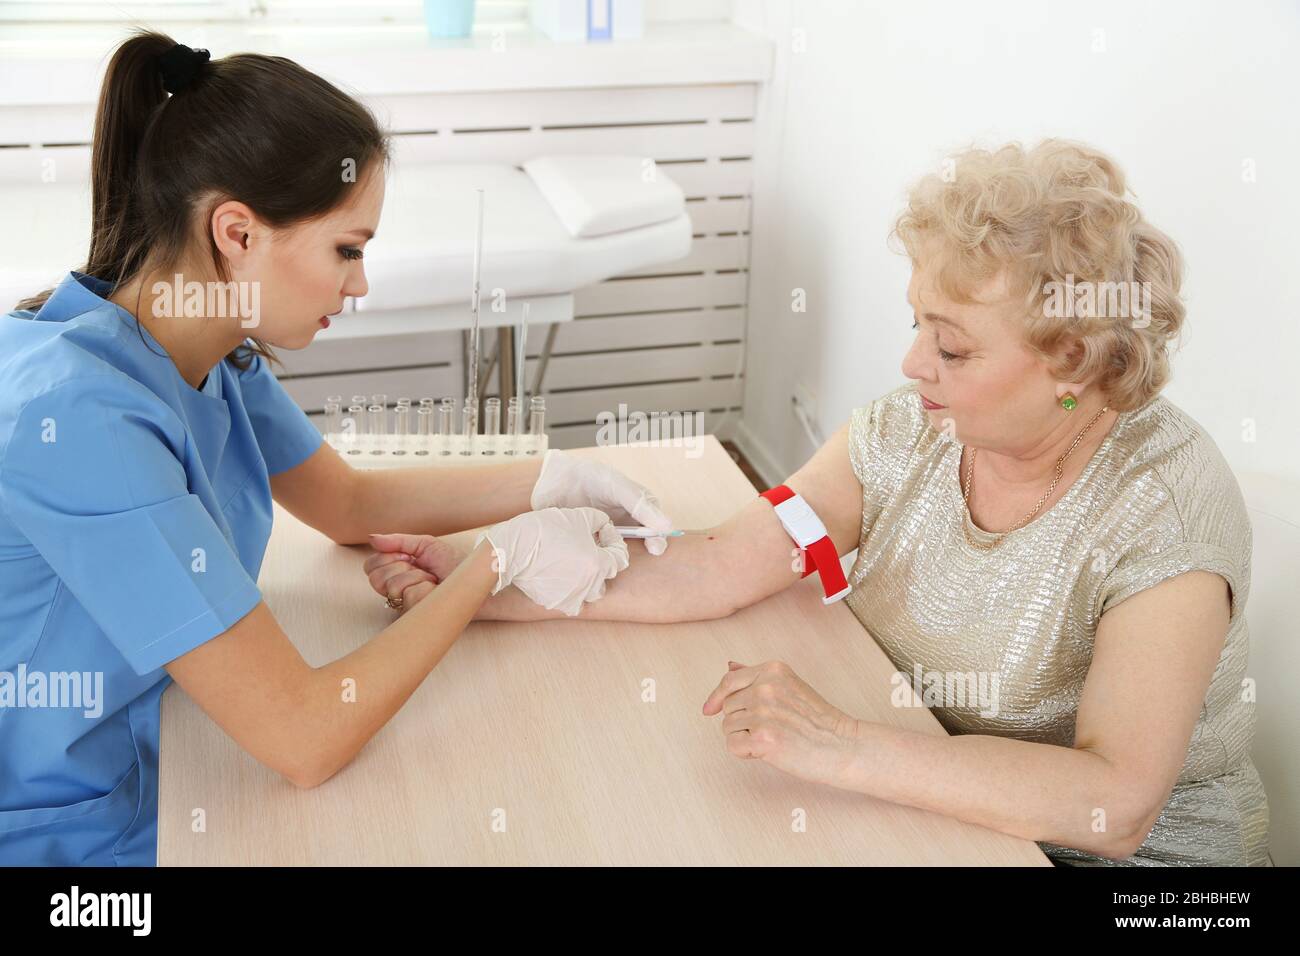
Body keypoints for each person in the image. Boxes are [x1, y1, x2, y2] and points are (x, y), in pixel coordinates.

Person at [365, 140, 1271, 866]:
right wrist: (491, 577)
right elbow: (725, 563)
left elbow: (1111, 805)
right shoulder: (908, 433)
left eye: (951, 349)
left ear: (1072, 363)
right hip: (943, 809)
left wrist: (839, 744)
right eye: (917, 324)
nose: (915, 365)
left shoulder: (1164, 512)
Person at [0, 31, 669, 866]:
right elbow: (306, 737)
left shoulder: (202, 347)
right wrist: (494, 565)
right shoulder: (83, 418)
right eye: (347, 249)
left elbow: (347, 505)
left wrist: (550, 479)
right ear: (237, 234)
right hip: (74, 831)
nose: (359, 284)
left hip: (184, 751)